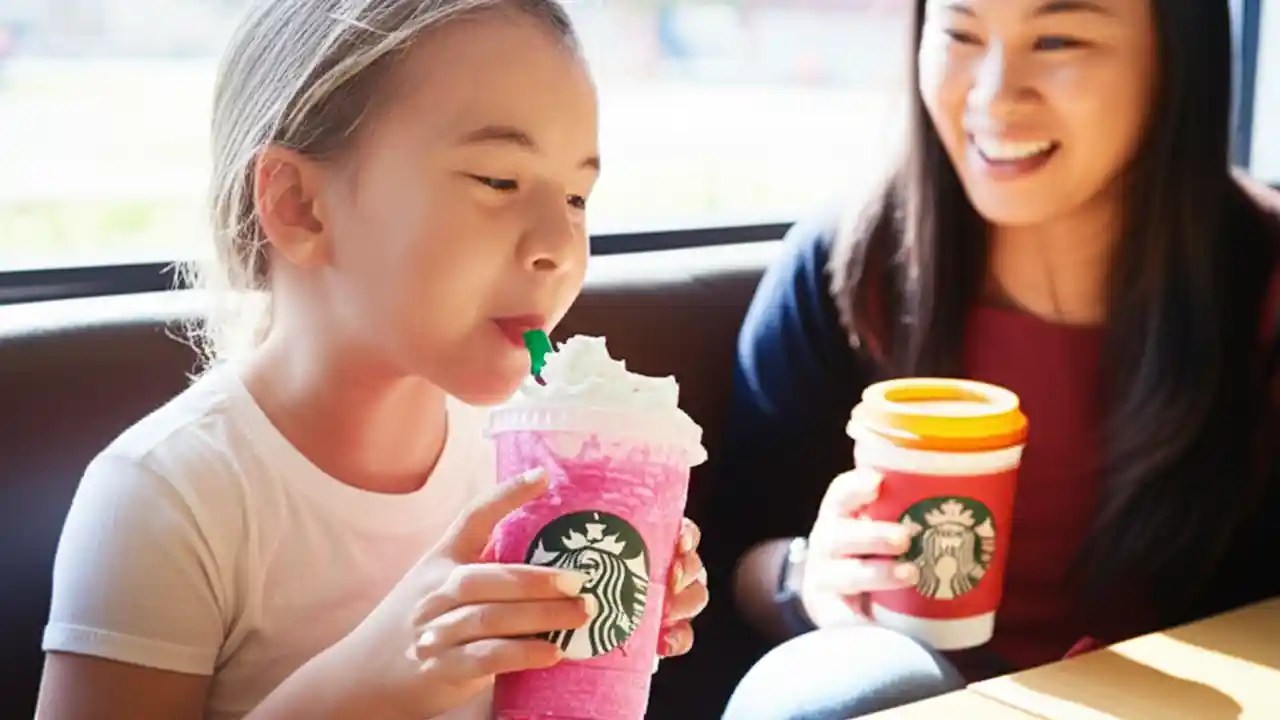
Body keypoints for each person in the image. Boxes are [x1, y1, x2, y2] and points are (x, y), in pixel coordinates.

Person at [35, 2, 709, 718]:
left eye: (576, 197)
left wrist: (598, 632)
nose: (559, 244)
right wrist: (371, 681)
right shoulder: (169, 497)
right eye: (497, 181)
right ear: (301, 207)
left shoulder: (527, 468)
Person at [709, 0, 1280, 717]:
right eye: (960, 33)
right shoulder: (849, 270)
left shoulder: (1262, 285)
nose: (992, 94)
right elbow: (729, 555)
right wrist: (806, 576)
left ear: (1178, 60)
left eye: (1058, 39)